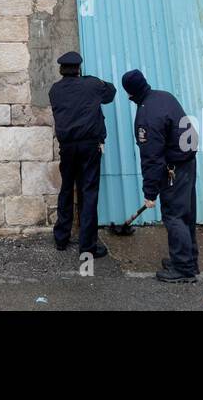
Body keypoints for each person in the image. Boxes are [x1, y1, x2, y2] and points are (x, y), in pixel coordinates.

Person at [121, 68, 199, 282]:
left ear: (130, 94)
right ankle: (189, 260)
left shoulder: (146, 116)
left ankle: (183, 269)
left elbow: (152, 159)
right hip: (188, 162)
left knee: (174, 217)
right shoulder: (164, 96)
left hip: (173, 168)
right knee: (186, 214)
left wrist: (150, 193)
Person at [48, 51, 116, 259]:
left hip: (67, 147)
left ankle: (61, 238)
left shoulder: (55, 90)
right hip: (88, 146)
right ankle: (87, 246)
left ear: (61, 69)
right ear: (79, 68)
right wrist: (92, 80)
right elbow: (111, 93)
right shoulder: (92, 85)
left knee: (67, 189)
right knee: (88, 192)